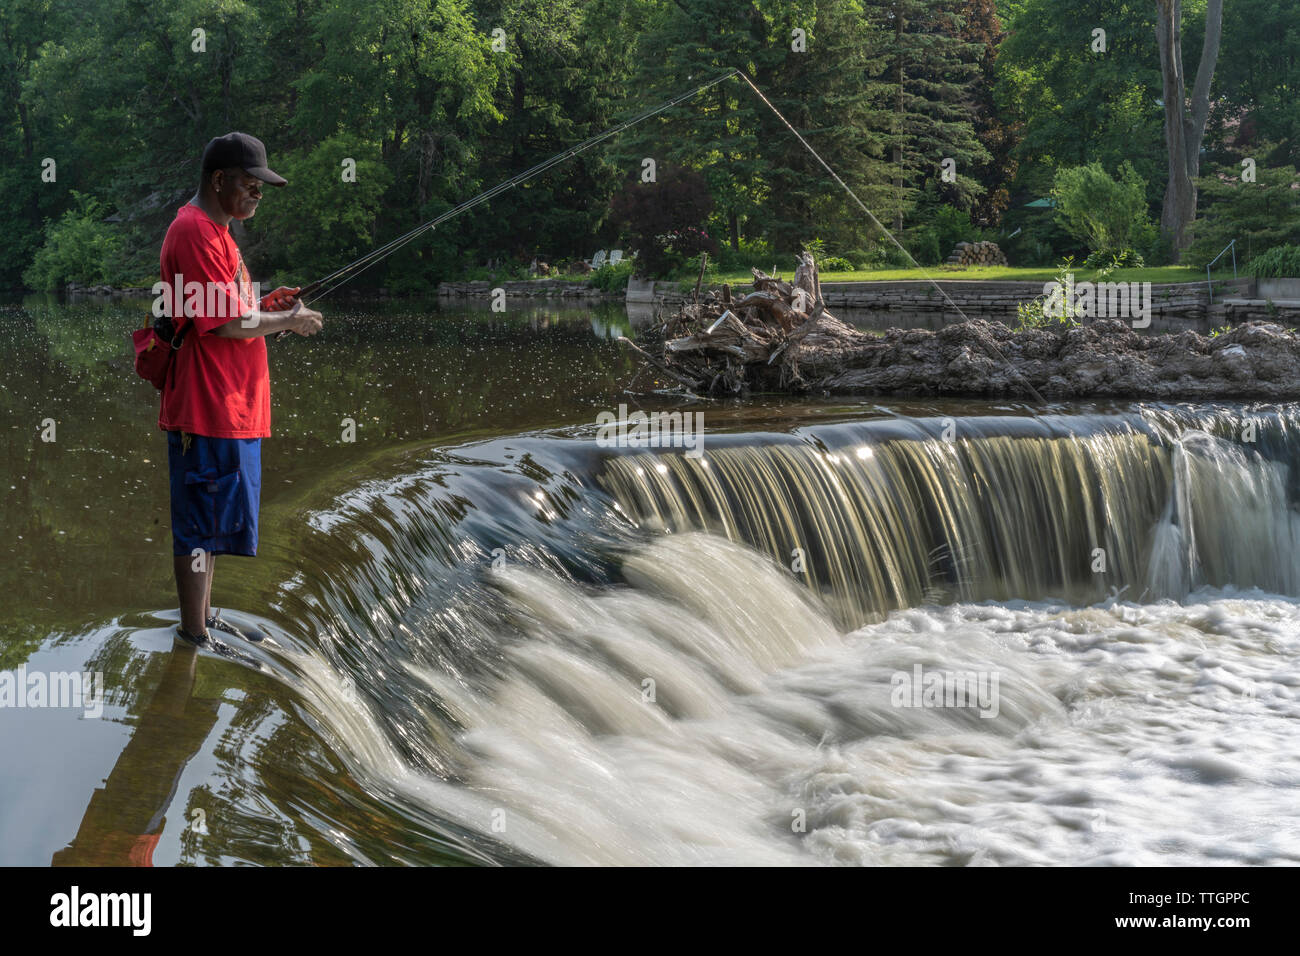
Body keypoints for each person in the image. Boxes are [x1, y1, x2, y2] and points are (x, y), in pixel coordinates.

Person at [158, 131, 323, 649]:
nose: (258, 194)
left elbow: (228, 305)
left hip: (231, 405)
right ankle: (192, 633)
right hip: (207, 405)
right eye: (251, 184)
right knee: (197, 525)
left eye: (262, 187)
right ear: (219, 179)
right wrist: (290, 322)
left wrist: (271, 304)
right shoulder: (195, 231)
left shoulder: (220, 232)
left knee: (214, 520)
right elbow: (225, 325)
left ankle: (204, 618)